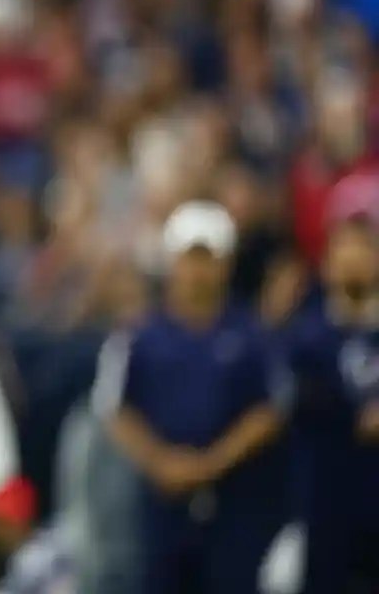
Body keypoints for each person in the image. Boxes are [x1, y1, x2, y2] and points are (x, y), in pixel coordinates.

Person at [98, 200, 288, 594]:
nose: (197, 270)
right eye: (189, 258)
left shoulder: (253, 336)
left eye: (207, 258)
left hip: (235, 502)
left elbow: (269, 409)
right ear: (172, 262)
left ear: (226, 264)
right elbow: (115, 407)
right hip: (160, 504)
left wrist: (210, 463)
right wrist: (160, 462)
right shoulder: (138, 336)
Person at [284, 214, 379, 594]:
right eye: (344, 249)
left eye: (364, 248)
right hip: (327, 507)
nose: (353, 259)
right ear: (325, 265)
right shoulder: (304, 337)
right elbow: (297, 404)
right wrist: (356, 416)